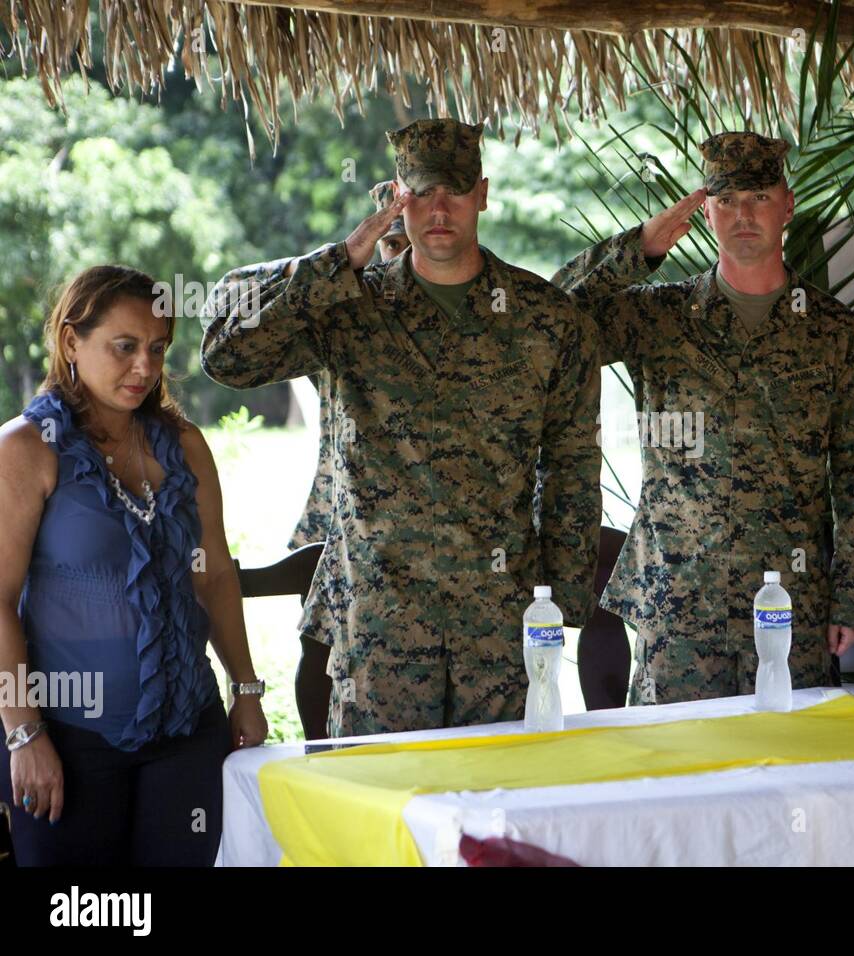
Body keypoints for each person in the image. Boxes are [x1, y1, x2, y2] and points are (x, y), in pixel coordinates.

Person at [202, 119, 601, 736]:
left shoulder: (544, 318)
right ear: (396, 197)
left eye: (456, 190)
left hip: (496, 622)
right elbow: (228, 357)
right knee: (378, 807)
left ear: (483, 195)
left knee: (495, 809)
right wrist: (336, 263)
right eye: (421, 192)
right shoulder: (347, 304)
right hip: (379, 629)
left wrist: (558, 604)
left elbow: (572, 465)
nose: (439, 209)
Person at [554, 131, 854, 705]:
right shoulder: (658, 316)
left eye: (759, 197)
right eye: (727, 199)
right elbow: (551, 320)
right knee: (675, 777)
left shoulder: (833, 332)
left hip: (789, 607)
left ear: (787, 204)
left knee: (789, 770)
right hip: (679, 608)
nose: (744, 215)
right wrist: (639, 248)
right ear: (705, 209)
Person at [0, 266, 267, 866]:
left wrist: (245, 687)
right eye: (124, 347)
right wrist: (25, 734)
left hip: (187, 734)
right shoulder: (25, 450)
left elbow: (215, 575)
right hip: (67, 740)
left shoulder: (184, 444)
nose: (144, 367)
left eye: (156, 348)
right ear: (71, 341)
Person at [288, 180, 412, 550]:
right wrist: (337, 259)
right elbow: (225, 310)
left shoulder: (481, 318)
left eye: (415, 243)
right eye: (392, 244)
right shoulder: (343, 313)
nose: (403, 258)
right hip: (342, 534)